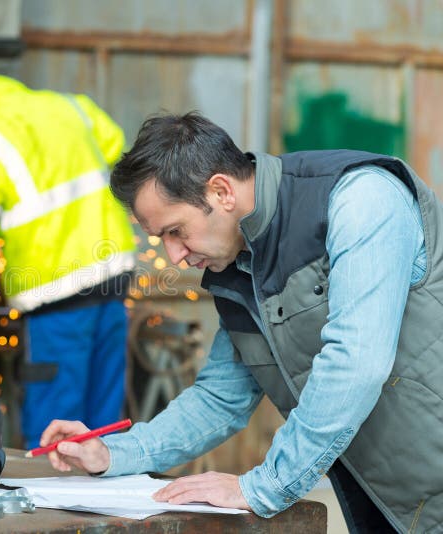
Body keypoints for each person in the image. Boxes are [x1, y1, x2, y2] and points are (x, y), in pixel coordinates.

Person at [38, 112, 442, 533]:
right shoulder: (239, 268)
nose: (175, 256)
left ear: (221, 191)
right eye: (163, 239)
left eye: (176, 231)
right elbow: (220, 398)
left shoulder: (361, 200)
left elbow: (356, 364)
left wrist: (263, 486)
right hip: (388, 500)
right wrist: (116, 453)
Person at [0, 73, 136, 448]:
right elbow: (114, 143)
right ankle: (109, 493)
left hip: (54, 286)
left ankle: (51, 496)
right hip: (113, 270)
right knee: (104, 410)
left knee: (55, 420)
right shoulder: (65, 104)